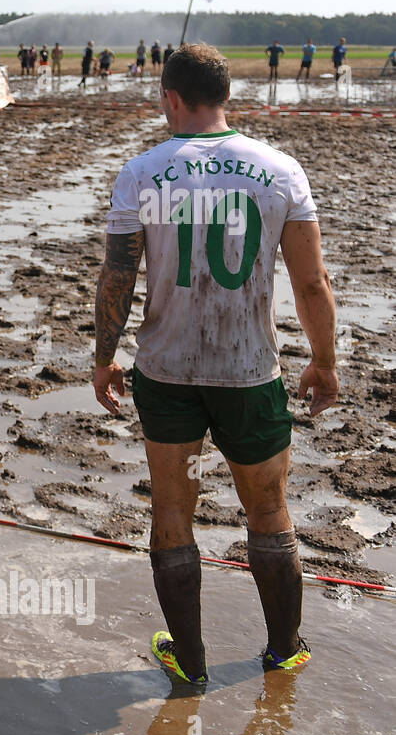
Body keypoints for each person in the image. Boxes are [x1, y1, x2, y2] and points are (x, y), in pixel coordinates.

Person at [95, 42, 336, 686]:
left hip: (165, 371)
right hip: (250, 371)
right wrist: (324, 361)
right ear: (227, 96)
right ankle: (284, 649)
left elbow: (117, 277)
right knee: (269, 509)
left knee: (172, 510)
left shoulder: (142, 171)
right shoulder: (280, 168)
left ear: (170, 97)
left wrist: (103, 358)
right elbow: (312, 285)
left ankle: (191, 663)